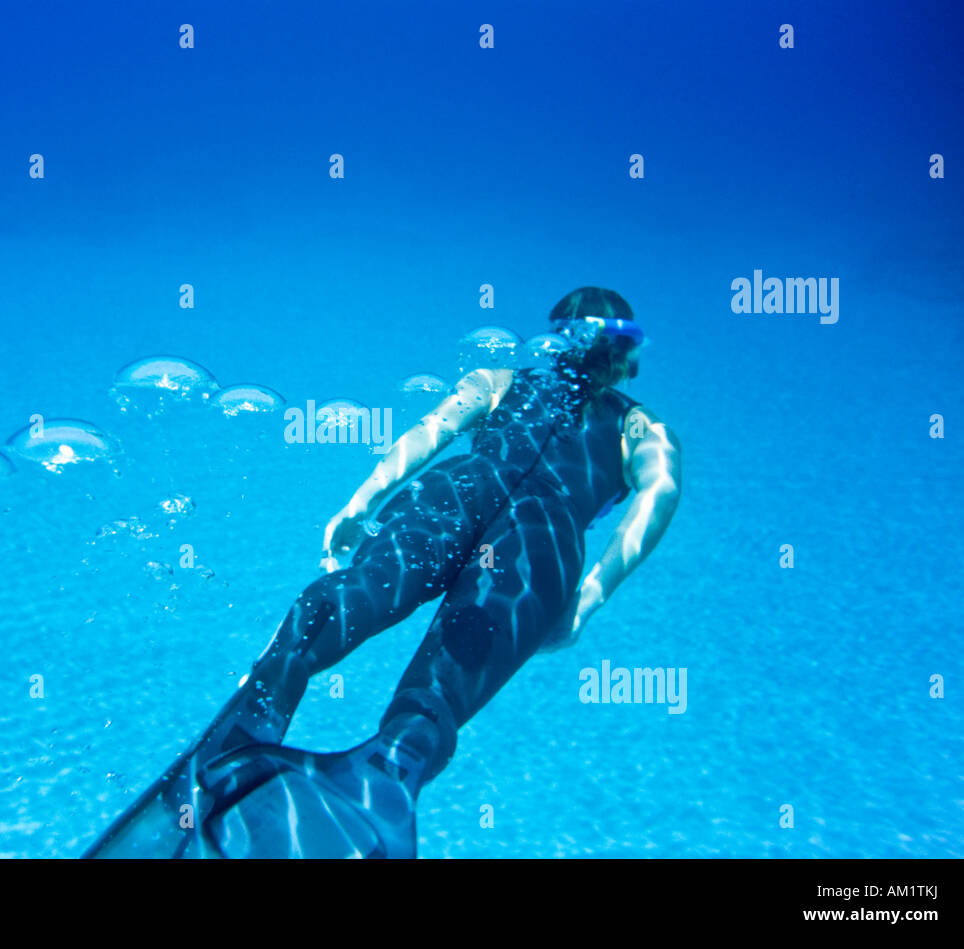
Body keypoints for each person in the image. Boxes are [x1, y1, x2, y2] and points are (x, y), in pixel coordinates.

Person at [84, 287, 682, 859]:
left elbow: (435, 429)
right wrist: (590, 596)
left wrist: (365, 497)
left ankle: (254, 714)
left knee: (349, 599)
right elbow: (658, 494)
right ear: (627, 358)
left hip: (460, 490)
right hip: (542, 541)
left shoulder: (505, 381)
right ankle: (386, 777)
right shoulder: (640, 428)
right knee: (442, 686)